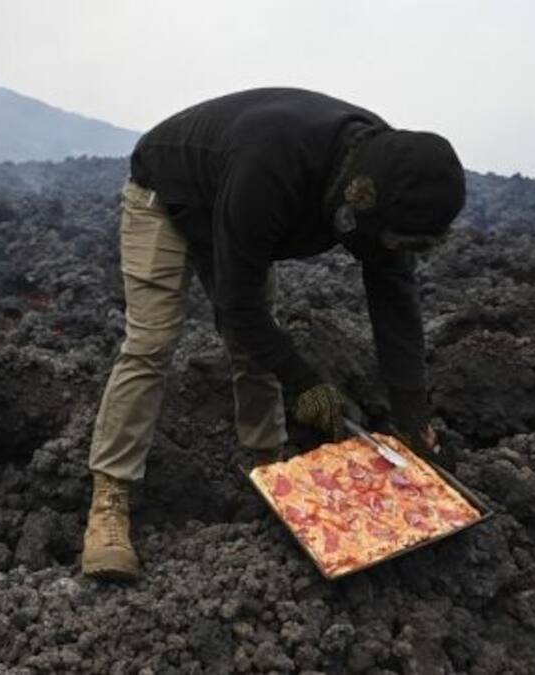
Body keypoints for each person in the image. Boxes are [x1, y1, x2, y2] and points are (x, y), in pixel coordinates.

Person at [80, 88, 465, 581]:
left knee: (255, 348)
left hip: (237, 204)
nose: (389, 247)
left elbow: (395, 304)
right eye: (385, 237)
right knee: (151, 342)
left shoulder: (394, 179)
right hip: (169, 194)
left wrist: (413, 419)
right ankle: (109, 501)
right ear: (356, 200)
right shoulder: (273, 169)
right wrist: (307, 384)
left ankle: (268, 470)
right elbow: (238, 307)